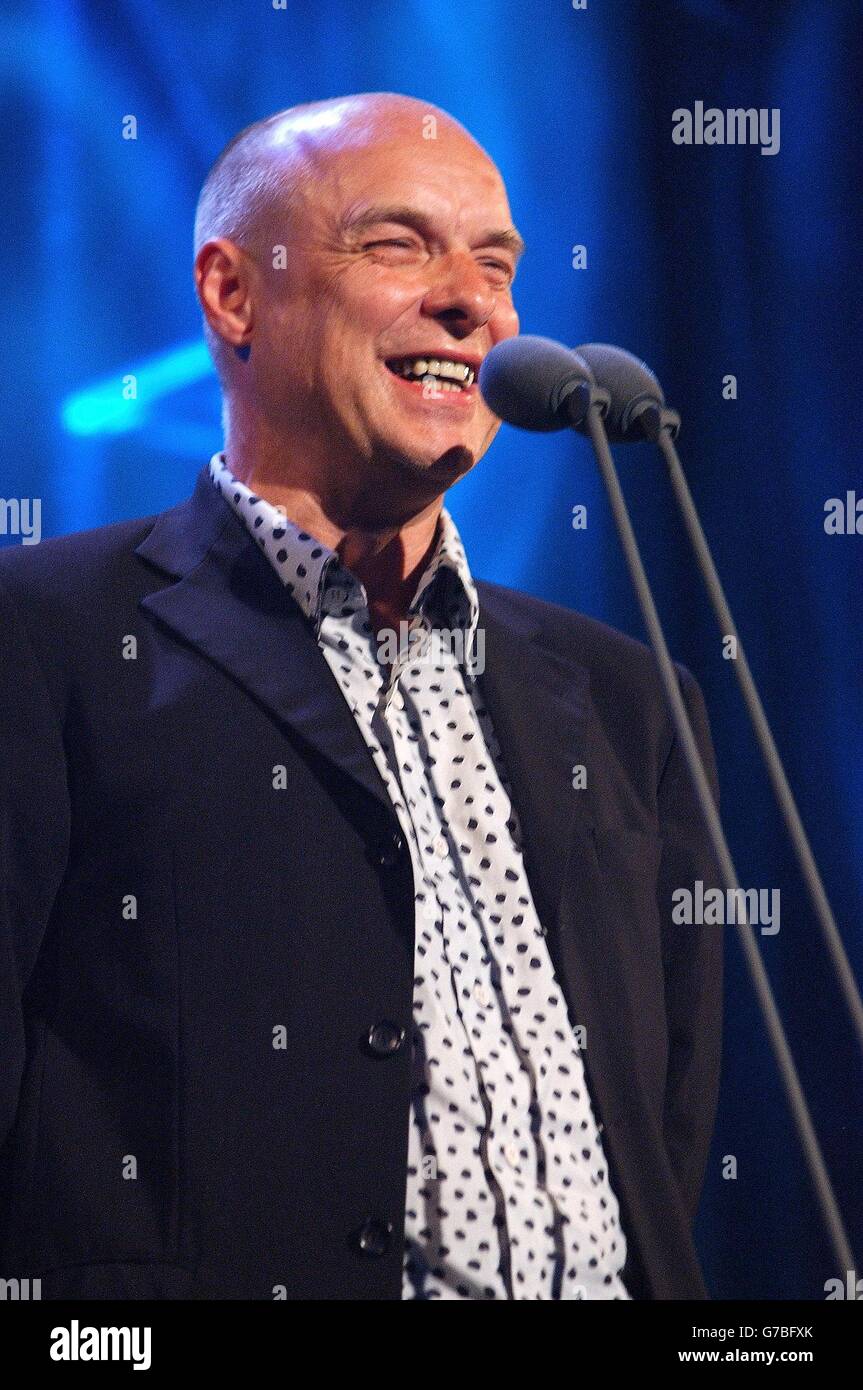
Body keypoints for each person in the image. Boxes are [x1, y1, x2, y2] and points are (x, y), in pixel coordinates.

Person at [0, 93, 722, 1300]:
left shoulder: (628, 700)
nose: (471, 302)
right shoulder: (45, 638)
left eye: (496, 266)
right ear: (234, 295)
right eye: (397, 244)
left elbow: (667, 1123)